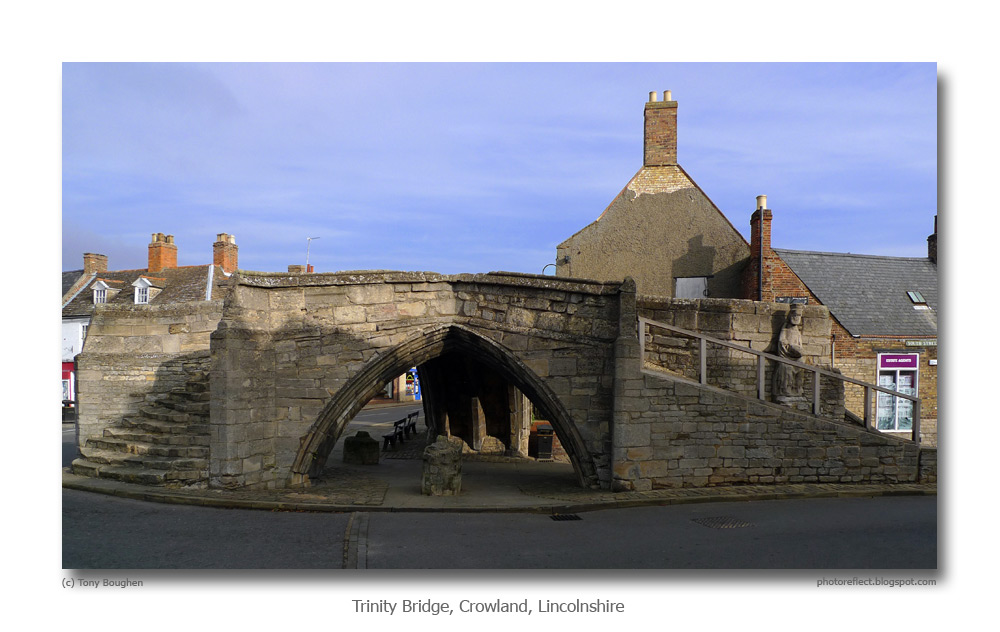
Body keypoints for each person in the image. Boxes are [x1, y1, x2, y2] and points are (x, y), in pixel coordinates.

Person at [773, 303, 805, 402]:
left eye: (799, 316)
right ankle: (785, 389)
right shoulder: (785, 328)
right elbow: (782, 341)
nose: (796, 318)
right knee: (786, 367)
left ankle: (797, 389)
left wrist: (798, 350)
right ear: (790, 315)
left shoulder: (797, 331)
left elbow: (799, 344)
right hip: (786, 356)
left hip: (795, 356)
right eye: (795, 315)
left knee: (801, 365)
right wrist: (789, 348)